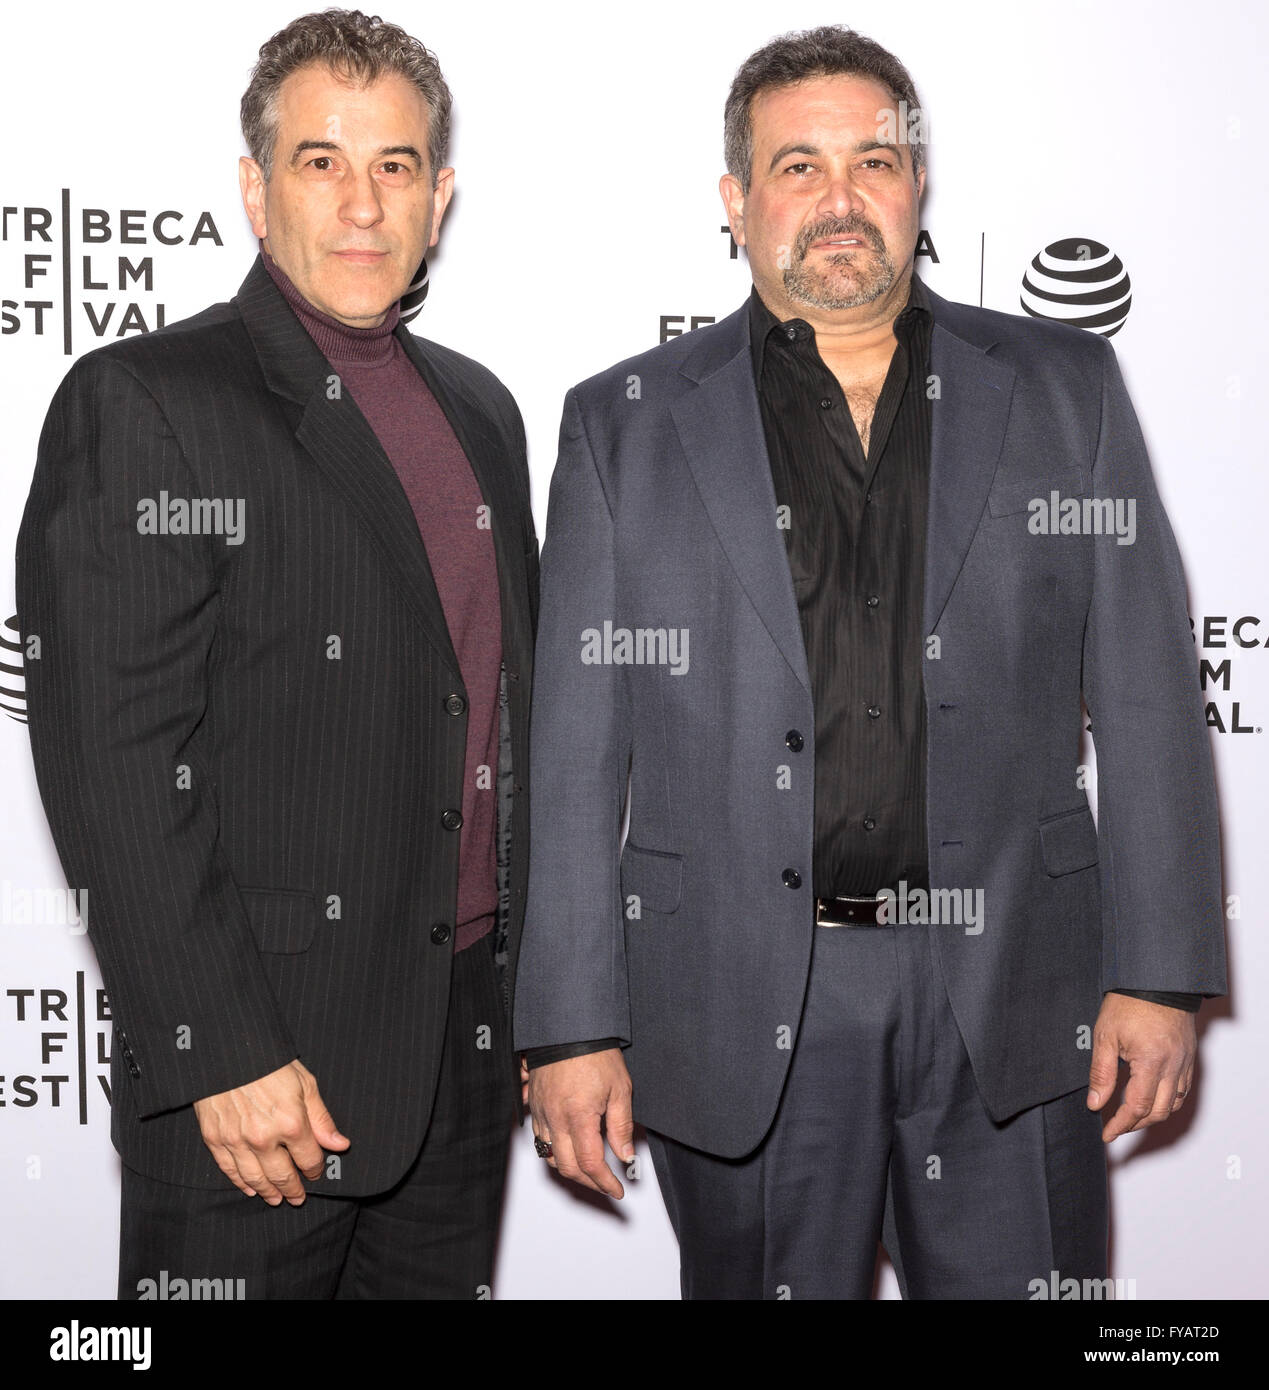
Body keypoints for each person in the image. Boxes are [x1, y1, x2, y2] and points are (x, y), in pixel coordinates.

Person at [513, 24, 1225, 1299]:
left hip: (1013, 991)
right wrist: (571, 1023)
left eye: (875, 160)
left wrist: (1161, 971)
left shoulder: (1065, 388)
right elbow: (570, 757)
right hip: (742, 1005)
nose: (841, 198)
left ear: (918, 188)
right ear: (736, 202)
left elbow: (1151, 691)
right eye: (798, 165)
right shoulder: (620, 424)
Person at [17, 9, 538, 1300]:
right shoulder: (145, 400)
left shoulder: (483, 408)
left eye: (397, 166)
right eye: (320, 161)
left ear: (442, 196)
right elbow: (113, 761)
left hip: (460, 1064)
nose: (362, 203)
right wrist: (220, 1052)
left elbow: (503, 722)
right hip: (258, 1085)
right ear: (254, 189)